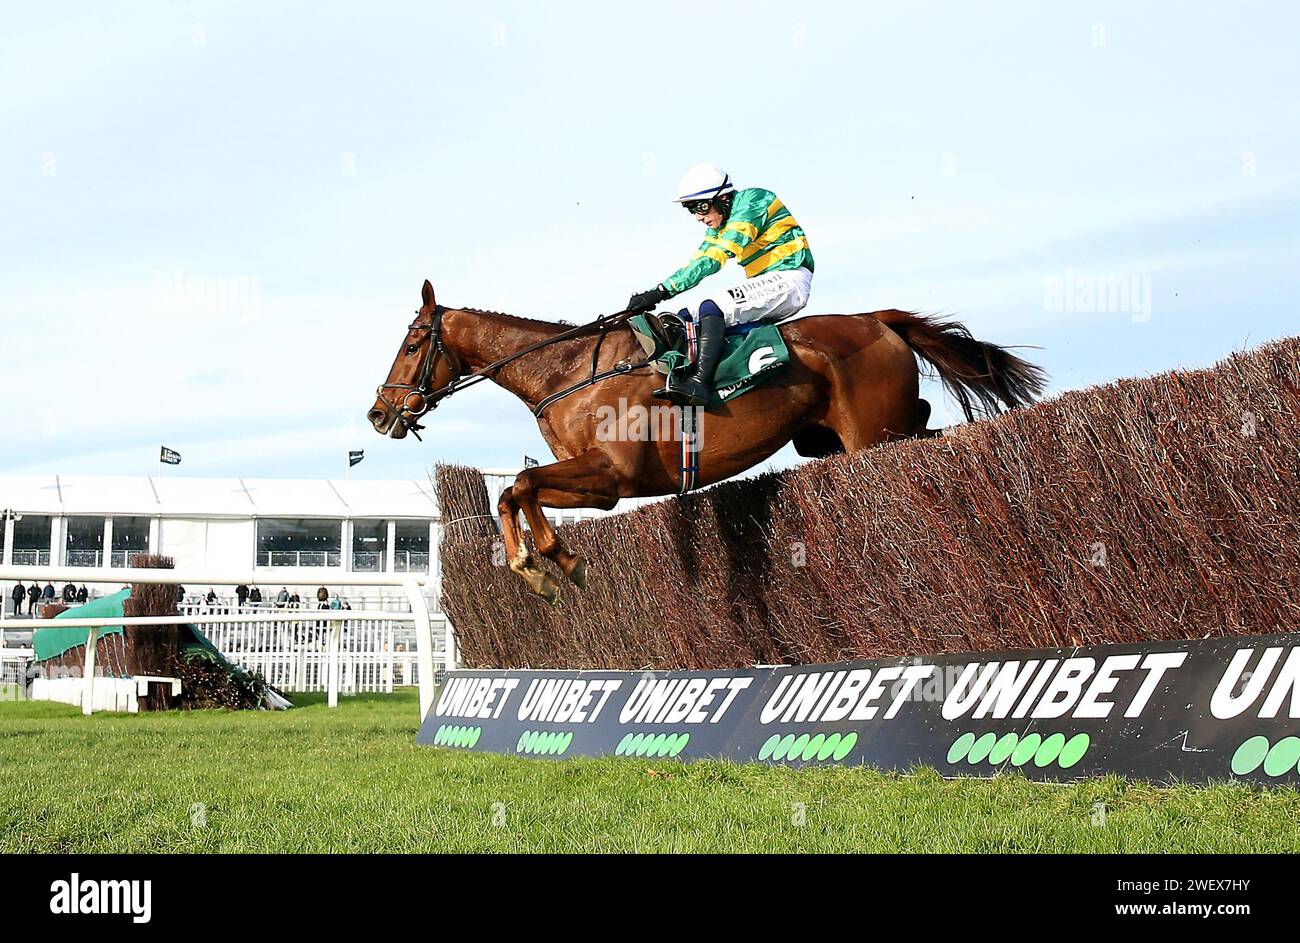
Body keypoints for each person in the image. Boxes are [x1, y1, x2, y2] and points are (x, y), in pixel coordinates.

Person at [625, 163, 814, 406]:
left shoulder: (753, 201)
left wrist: (663, 291)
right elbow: (699, 260)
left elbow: (716, 257)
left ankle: (700, 384)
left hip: (790, 278)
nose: (698, 217)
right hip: (770, 282)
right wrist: (657, 291)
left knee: (711, 307)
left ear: (723, 198)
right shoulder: (720, 225)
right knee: (683, 316)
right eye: (691, 210)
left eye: (700, 207)